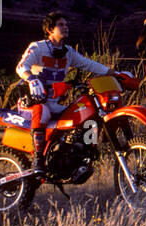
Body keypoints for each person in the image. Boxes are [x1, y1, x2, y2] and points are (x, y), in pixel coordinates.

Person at [15, 11, 115, 173]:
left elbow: (89, 64)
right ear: (49, 29)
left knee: (86, 114)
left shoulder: (68, 52)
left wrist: (115, 73)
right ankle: (38, 160)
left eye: (66, 24)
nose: (66, 27)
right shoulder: (37, 48)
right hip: (32, 104)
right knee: (42, 111)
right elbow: (21, 67)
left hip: (55, 104)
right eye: (61, 25)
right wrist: (31, 79)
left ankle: (81, 155)